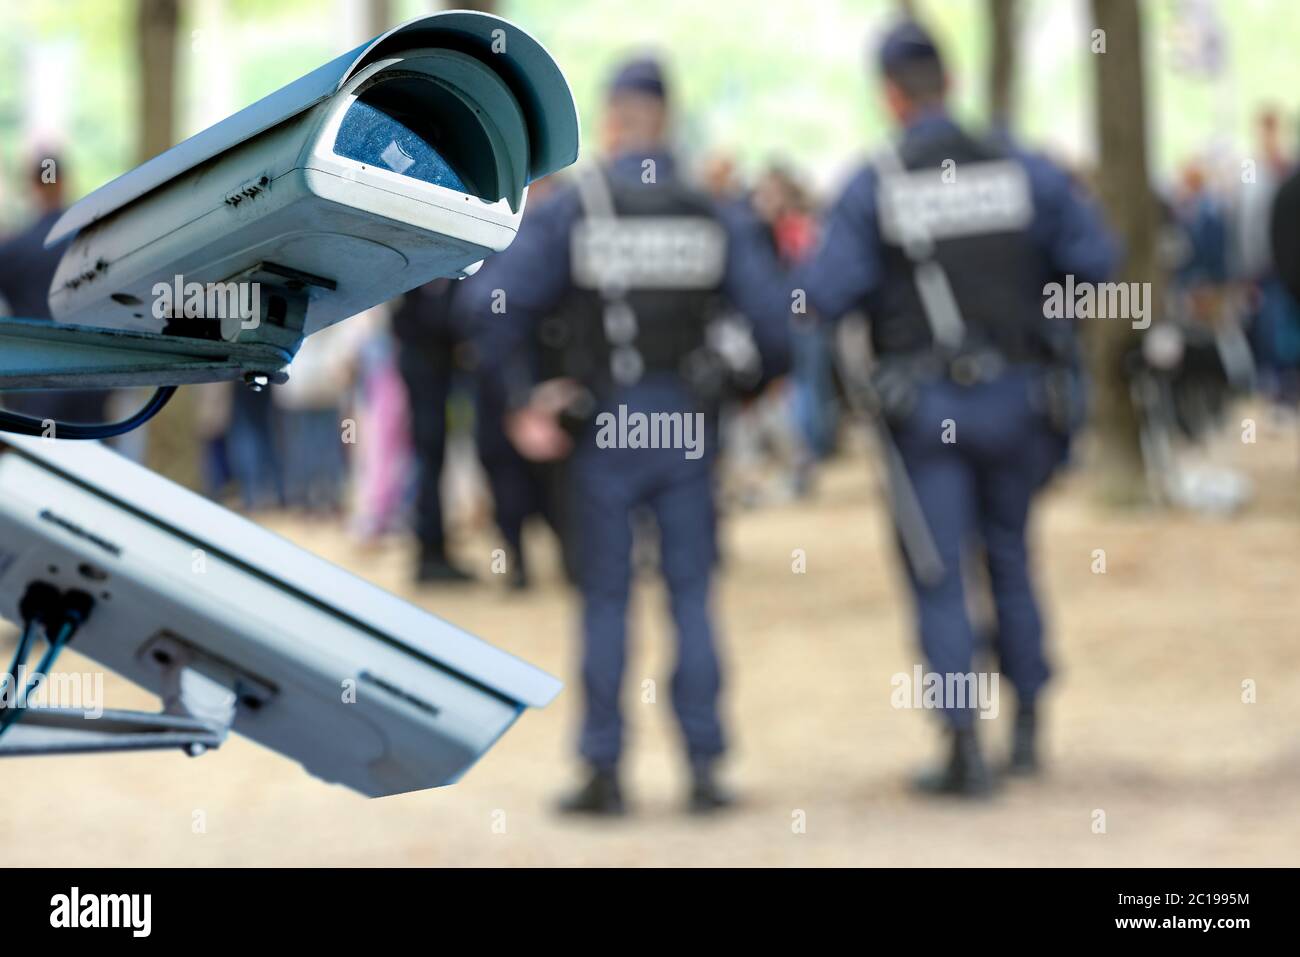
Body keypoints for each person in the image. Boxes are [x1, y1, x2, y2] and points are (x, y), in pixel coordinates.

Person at [797, 21, 1117, 797]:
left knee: (940, 572)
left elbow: (821, 294)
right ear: (953, 83)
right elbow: (1098, 263)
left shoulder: (878, 180)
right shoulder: (1024, 166)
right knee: (1010, 554)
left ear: (891, 95)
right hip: (1019, 399)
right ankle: (1031, 720)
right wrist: (1041, 327)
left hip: (926, 409)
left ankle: (964, 744)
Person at [469, 57, 791, 815]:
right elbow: (776, 326)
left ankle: (604, 769)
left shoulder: (577, 207)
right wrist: (741, 389)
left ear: (611, 121)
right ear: (667, 119)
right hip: (685, 415)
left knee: (605, 598)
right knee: (691, 594)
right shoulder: (711, 208)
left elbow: (489, 304)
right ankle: (706, 766)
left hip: (605, 420)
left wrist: (523, 398)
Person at [0, 152, 110, 425]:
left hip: (38, 382)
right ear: (64, 183)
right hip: (93, 377)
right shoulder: (98, 244)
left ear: (34, 187)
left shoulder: (17, 249)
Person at [391, 279, 475, 585]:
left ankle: (433, 550)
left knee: (429, 460)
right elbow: (428, 317)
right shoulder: (426, 278)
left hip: (428, 365)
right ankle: (431, 553)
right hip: (427, 367)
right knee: (428, 459)